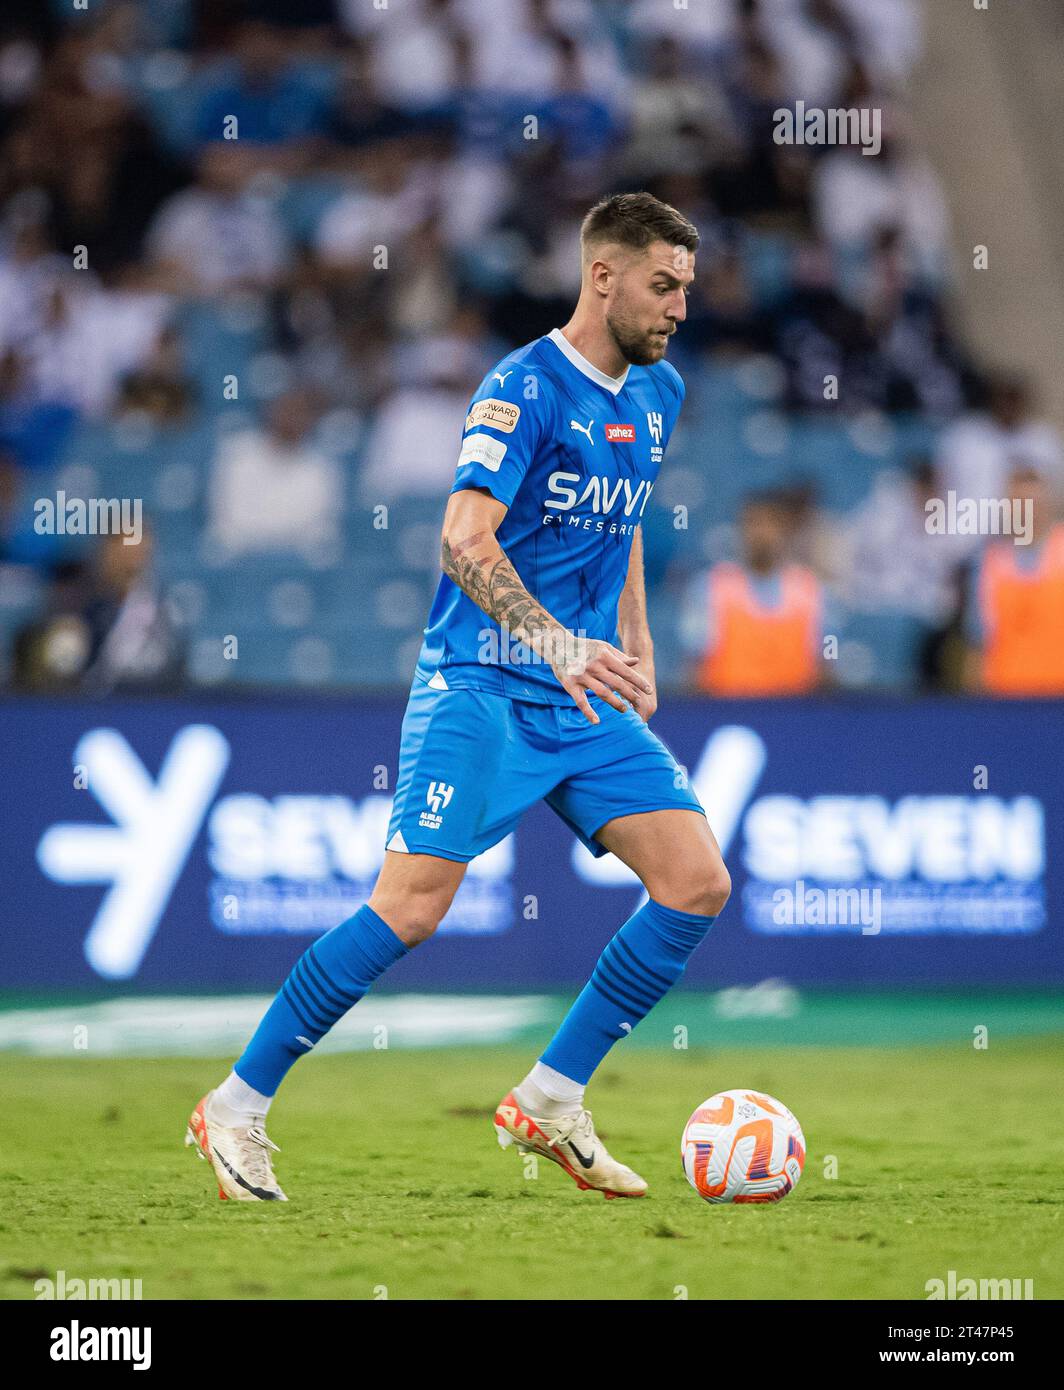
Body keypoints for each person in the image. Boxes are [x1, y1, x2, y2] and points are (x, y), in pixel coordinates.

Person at [186, 191, 732, 1202]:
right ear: (601, 276)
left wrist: (635, 644)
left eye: (685, 290)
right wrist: (557, 640)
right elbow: (461, 539)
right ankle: (234, 1105)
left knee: (695, 879)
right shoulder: (518, 390)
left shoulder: (656, 397)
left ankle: (551, 1098)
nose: (677, 310)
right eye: (661, 286)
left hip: (581, 690)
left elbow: (628, 526)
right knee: (409, 908)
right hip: (480, 681)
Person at [684, 492, 824, 696]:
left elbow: (822, 666)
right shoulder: (710, 587)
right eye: (753, 523)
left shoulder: (810, 590)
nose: (762, 533)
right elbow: (695, 666)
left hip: (795, 712)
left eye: (771, 524)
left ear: (786, 531)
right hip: (726, 711)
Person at [964, 466, 1064, 696]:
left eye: (1034, 502)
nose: (1028, 512)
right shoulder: (989, 561)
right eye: (1019, 503)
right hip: (1005, 700)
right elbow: (977, 641)